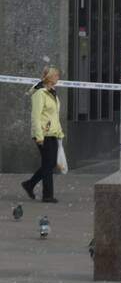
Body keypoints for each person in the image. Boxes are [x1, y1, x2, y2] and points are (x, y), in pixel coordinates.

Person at [21, 65, 64, 204]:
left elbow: (53, 115)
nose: (58, 78)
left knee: (49, 163)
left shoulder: (52, 92)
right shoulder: (40, 93)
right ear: (50, 77)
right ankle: (47, 195)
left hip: (52, 133)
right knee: (48, 163)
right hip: (43, 133)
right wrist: (39, 136)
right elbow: (36, 116)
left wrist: (59, 132)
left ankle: (30, 184)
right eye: (56, 75)